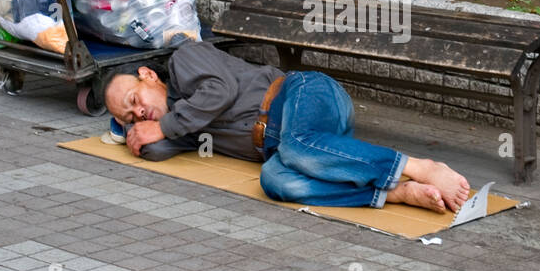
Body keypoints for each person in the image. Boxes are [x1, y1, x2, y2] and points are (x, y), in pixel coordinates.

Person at [102, 41, 470, 213]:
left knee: (296, 145)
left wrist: (163, 126)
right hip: (294, 150)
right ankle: (394, 193)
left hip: (305, 92)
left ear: (148, 75)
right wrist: (129, 135)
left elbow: (221, 90)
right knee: (275, 181)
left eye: (135, 101)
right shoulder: (184, 130)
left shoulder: (184, 62)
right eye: (131, 116)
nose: (140, 113)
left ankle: (420, 167)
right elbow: (159, 147)